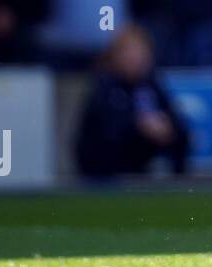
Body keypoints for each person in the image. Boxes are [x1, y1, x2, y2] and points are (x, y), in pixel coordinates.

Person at [76, 25, 189, 180]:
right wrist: (140, 125)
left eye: (141, 54)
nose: (137, 61)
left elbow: (174, 119)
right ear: (116, 56)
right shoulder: (105, 86)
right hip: (106, 170)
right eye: (130, 55)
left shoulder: (151, 84)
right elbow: (105, 131)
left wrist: (167, 126)